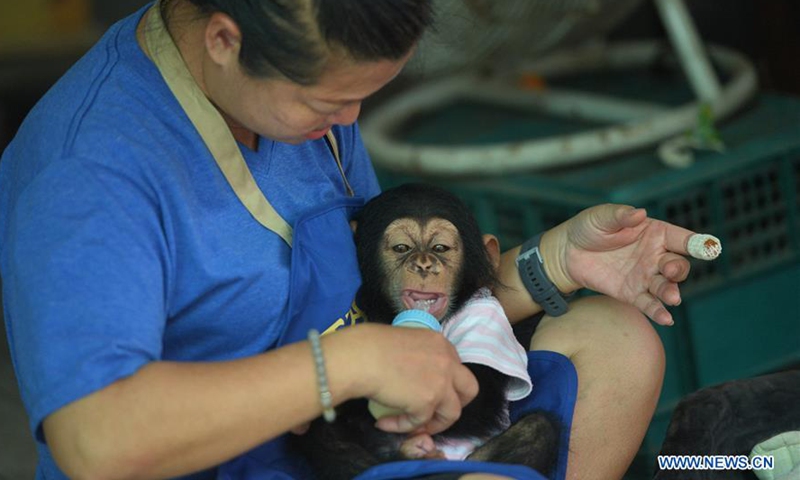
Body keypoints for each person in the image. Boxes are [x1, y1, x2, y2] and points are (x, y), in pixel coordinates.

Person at [0, 1, 697, 479]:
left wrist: (554, 263)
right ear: (223, 39)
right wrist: (345, 364)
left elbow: (390, 306)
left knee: (615, 339)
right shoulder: (92, 173)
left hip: (361, 429)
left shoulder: (298, 102)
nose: (350, 119)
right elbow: (95, 439)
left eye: (364, 96)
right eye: (328, 102)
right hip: (217, 463)